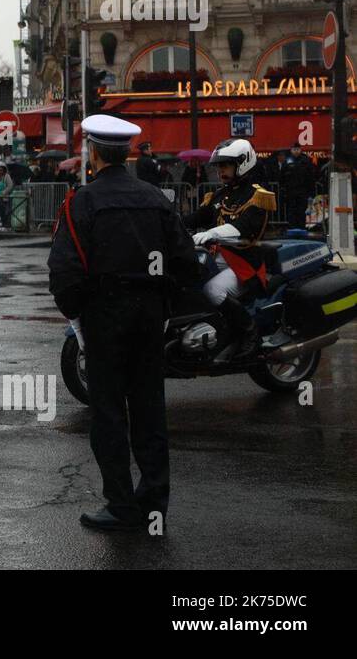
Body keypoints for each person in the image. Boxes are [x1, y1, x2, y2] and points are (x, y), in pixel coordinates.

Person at [48, 114, 200, 533]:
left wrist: (78, 310)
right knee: (150, 411)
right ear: (129, 152)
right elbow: (187, 263)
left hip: (104, 316)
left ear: (93, 153)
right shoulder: (155, 198)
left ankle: (120, 504)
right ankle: (153, 503)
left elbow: (64, 272)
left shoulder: (82, 202)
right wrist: (163, 302)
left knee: (109, 413)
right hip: (150, 316)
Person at [184, 138, 276, 361]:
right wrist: (166, 223)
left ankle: (249, 333)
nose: (220, 171)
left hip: (244, 262)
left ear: (242, 163)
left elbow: (245, 228)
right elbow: (194, 218)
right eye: (218, 166)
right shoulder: (220, 195)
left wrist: (213, 233)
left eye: (225, 165)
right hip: (217, 258)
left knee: (213, 291)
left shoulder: (257, 195)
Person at [279, 143, 315, 230]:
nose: (296, 151)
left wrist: (310, 191)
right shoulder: (287, 161)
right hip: (290, 191)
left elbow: (311, 176)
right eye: (294, 149)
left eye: (297, 149)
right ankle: (292, 227)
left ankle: (301, 227)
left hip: (303, 191)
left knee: (302, 210)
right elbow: (281, 176)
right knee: (291, 210)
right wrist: (283, 189)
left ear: (300, 149)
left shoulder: (306, 160)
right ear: (291, 150)